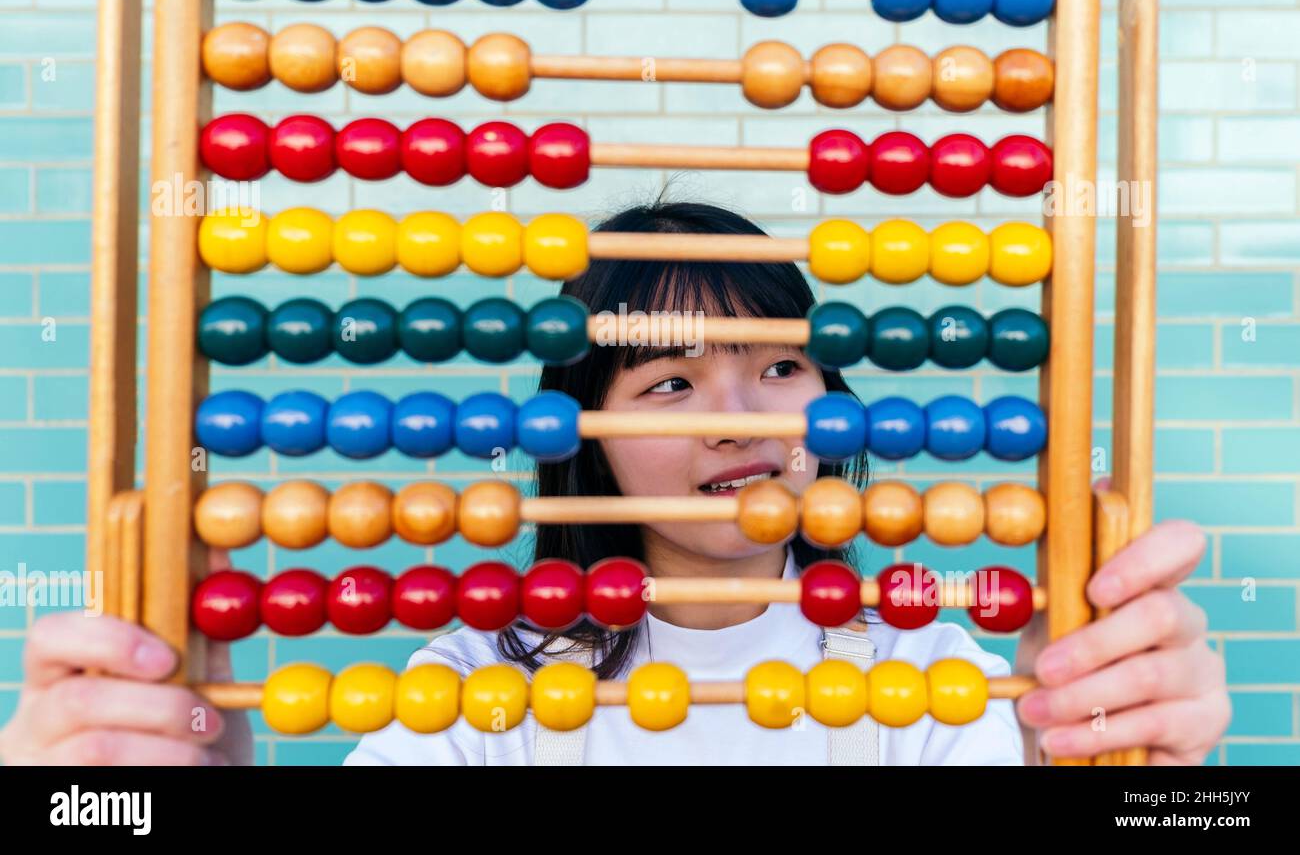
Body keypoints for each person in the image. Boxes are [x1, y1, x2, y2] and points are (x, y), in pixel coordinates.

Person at [0, 202, 1230, 766]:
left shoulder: (926, 672)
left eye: (780, 366)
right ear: (582, 430)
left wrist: (1175, 803)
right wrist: (98, 811)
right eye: (669, 386)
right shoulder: (485, 678)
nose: (742, 419)